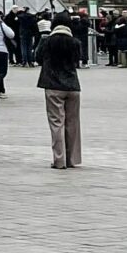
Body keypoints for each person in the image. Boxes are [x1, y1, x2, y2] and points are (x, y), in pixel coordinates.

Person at [37, 17, 83, 169]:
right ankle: (72, 159)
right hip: (72, 86)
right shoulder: (75, 42)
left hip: (53, 86)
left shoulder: (47, 41)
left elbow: (37, 58)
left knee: (57, 123)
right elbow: (78, 60)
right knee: (72, 123)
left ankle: (59, 160)